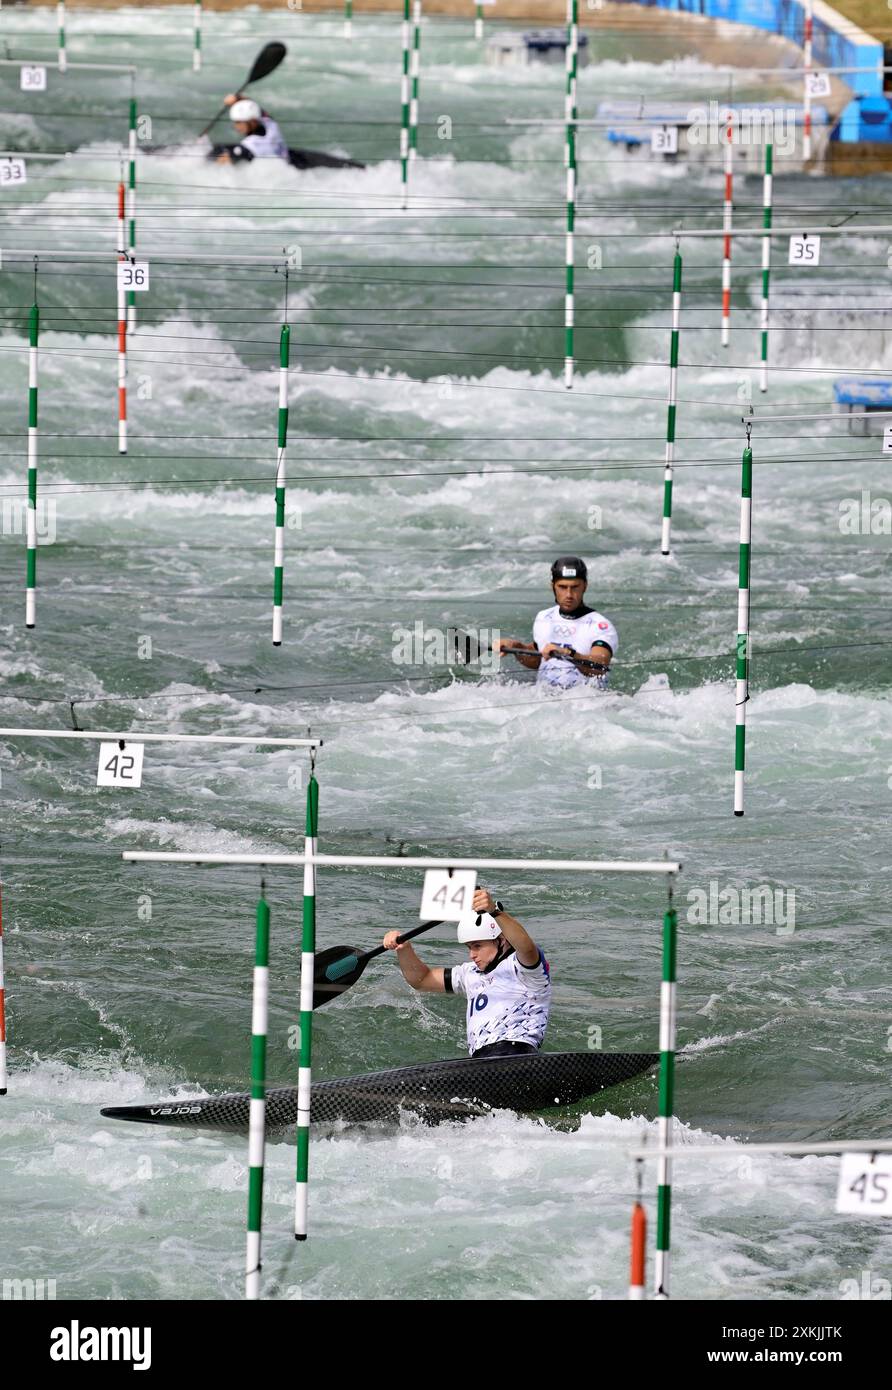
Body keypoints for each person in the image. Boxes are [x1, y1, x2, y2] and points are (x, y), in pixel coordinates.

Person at [382, 888, 551, 1057]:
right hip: (480, 1061)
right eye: (469, 947)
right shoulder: (468, 973)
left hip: (519, 1055)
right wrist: (404, 949)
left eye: (478, 946)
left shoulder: (525, 969)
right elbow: (422, 980)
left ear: (502, 940)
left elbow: (526, 947)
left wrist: (495, 912)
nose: (472, 955)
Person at [496, 555, 618, 690]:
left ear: (585, 586)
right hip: (545, 700)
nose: (569, 595)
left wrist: (568, 653)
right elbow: (538, 660)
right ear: (553, 586)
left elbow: (600, 665)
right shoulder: (544, 617)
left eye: (575, 587)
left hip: (585, 702)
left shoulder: (601, 625)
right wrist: (516, 647)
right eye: (562, 587)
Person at [214, 94, 289, 164]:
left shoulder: (251, 145)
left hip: (275, 164)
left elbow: (224, 160)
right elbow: (254, 107)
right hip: (284, 157)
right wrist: (237, 98)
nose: (236, 126)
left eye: (239, 122)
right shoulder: (270, 124)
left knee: (217, 150)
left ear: (252, 121)